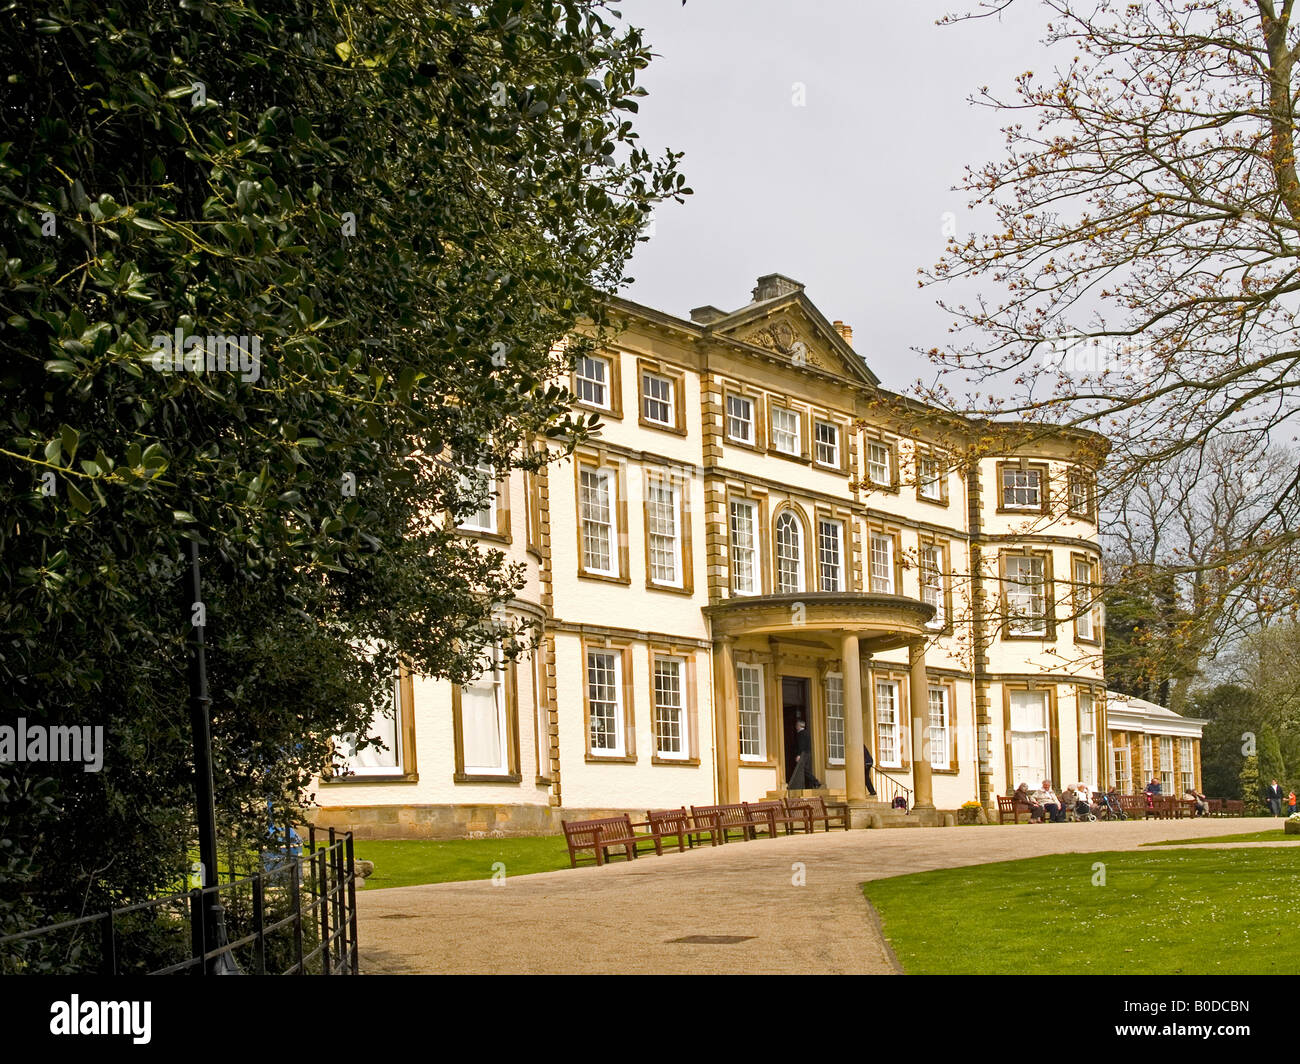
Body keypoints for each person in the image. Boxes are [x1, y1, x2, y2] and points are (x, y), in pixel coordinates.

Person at [787, 719, 821, 790]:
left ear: (798, 726)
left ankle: (815, 782)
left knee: (803, 770)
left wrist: (799, 755)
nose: (796, 727)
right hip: (808, 753)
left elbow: (801, 745)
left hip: (803, 754)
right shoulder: (807, 733)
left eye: (796, 725)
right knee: (805, 769)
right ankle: (814, 783)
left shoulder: (800, 734)